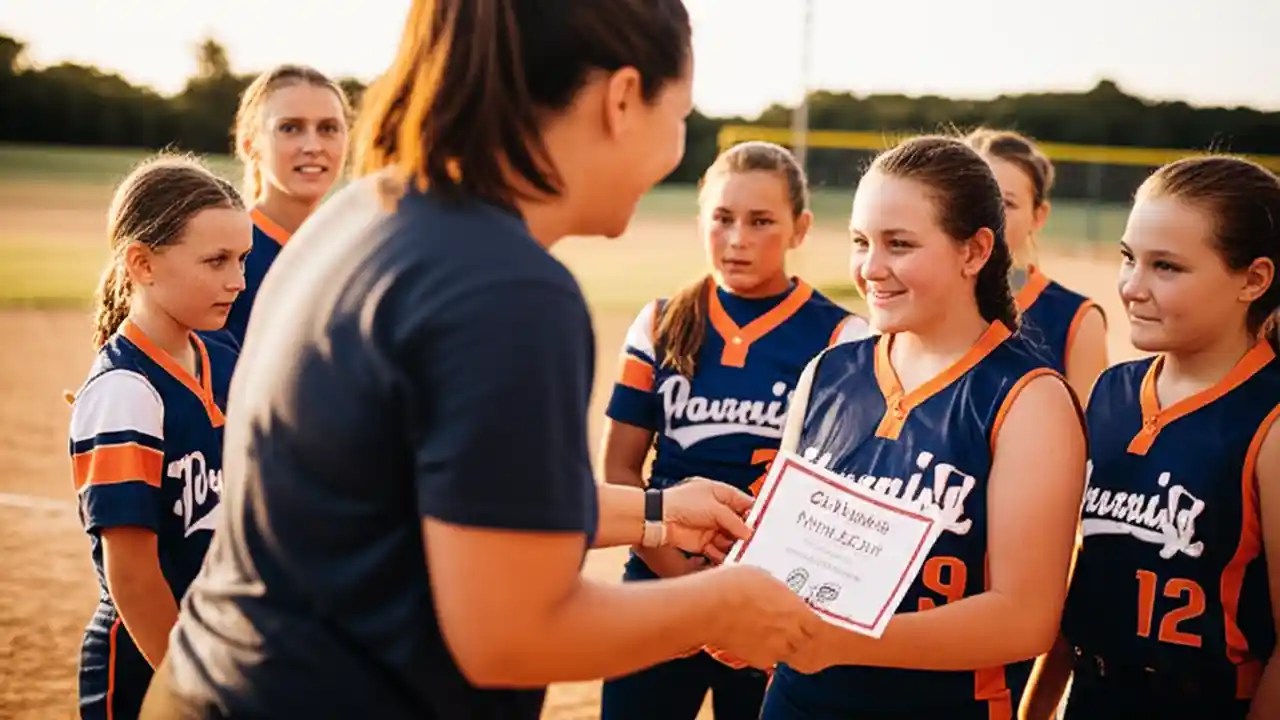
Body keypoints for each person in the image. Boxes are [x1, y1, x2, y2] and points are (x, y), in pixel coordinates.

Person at [140, 2, 824, 718]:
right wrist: (723, 603)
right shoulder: (508, 287)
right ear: (622, 99)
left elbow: (444, 499)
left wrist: (654, 513)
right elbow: (508, 636)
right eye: (680, 114)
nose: (677, 147)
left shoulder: (365, 208)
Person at [757, 136, 1088, 720]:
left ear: (975, 250)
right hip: (800, 699)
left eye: (900, 245)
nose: (870, 268)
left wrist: (840, 640)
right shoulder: (829, 370)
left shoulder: (1029, 400)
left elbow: (1025, 619)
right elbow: (781, 550)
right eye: (861, 242)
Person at [599, 140, 870, 720]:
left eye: (761, 221)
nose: (738, 238)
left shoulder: (843, 338)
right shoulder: (660, 321)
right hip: (660, 583)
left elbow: (842, 495)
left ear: (800, 228)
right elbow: (620, 467)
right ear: (701, 220)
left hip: (773, 596)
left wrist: (744, 595)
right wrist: (692, 583)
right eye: (722, 218)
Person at [1024, 156, 1280, 720]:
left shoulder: (1268, 417)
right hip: (1093, 695)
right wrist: (1037, 705)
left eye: (1166, 267)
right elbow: (1086, 568)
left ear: (1254, 279)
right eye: (1127, 258)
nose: (1133, 287)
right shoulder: (1112, 391)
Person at [67, 154, 250, 720]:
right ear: (142, 264)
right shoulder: (126, 391)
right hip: (149, 663)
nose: (238, 280)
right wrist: (188, 689)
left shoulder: (218, 355)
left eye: (241, 259)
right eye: (216, 261)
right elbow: (133, 575)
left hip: (218, 644)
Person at [213, 64, 351, 349]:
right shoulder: (222, 255)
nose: (313, 146)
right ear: (250, 144)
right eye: (290, 128)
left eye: (328, 128)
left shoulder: (353, 251)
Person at [965, 128, 1109, 401]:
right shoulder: (926, 300)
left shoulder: (1075, 320)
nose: (987, 214)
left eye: (1006, 202)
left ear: (1038, 216)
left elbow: (1087, 438)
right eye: (973, 199)